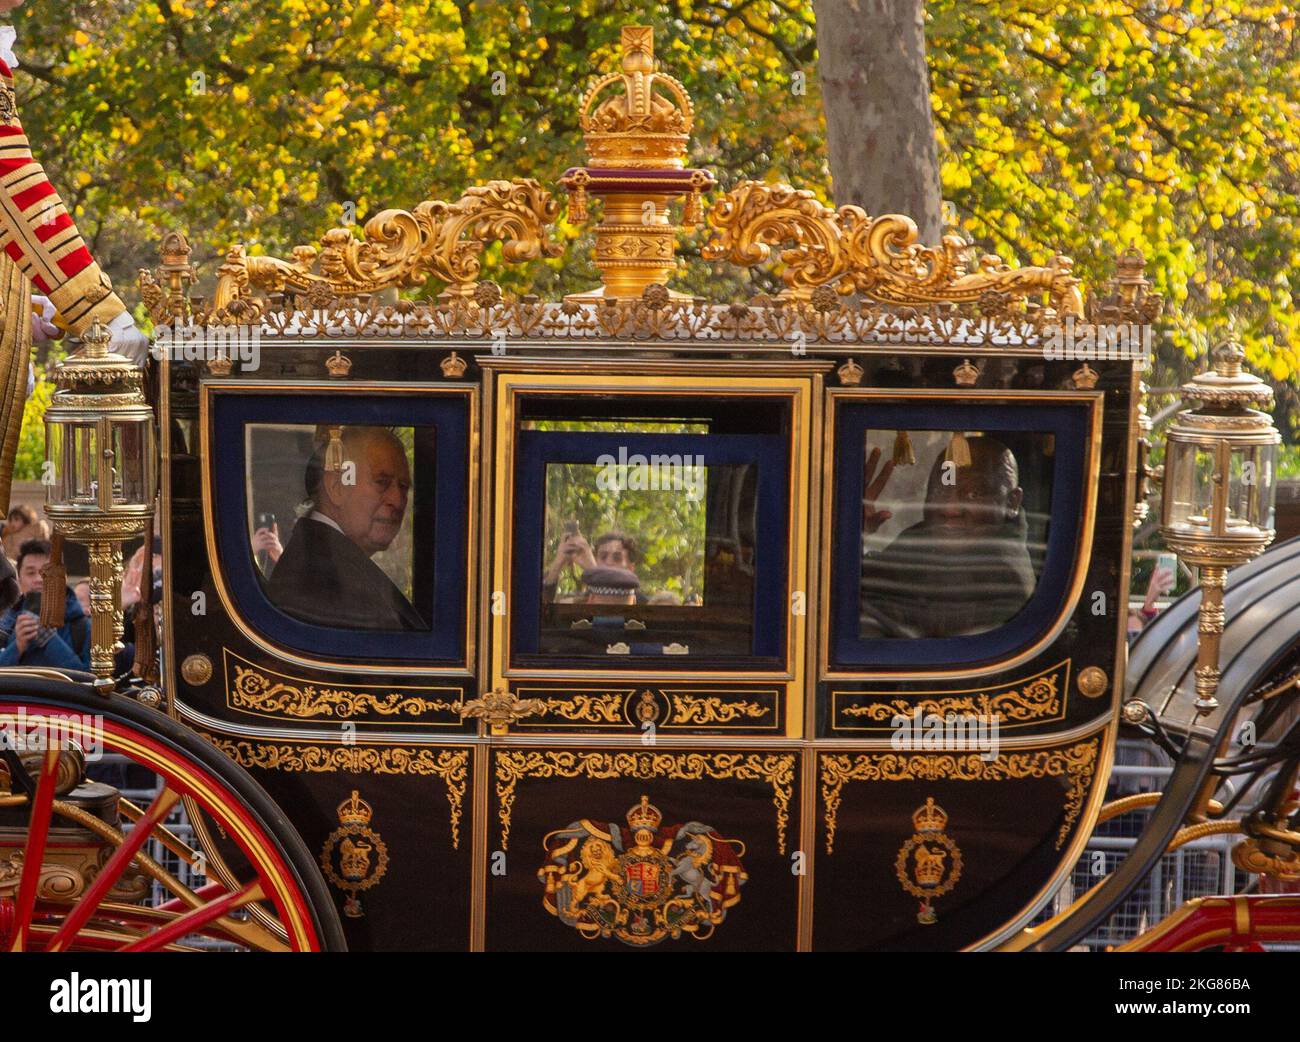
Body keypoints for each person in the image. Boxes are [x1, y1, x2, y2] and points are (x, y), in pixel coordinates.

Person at [859, 436, 1036, 639]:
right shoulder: (925, 545)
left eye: (974, 494)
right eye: (941, 491)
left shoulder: (1001, 581)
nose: (950, 509)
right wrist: (856, 535)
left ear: (1012, 503)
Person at [267, 426, 425, 630]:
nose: (397, 500)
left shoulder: (321, 559)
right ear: (337, 487)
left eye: (403, 486)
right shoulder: (326, 581)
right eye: (382, 482)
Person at [0, 537, 89, 668]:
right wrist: (17, 647)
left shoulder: (83, 627)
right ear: (19, 579)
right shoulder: (5, 628)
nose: (39, 579)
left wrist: (50, 641)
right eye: (30, 573)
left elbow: (90, 682)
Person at [543, 529, 646, 604]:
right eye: (603, 557)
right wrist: (557, 564)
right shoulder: (578, 602)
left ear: (631, 569)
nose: (609, 562)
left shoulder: (644, 604)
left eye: (617, 558)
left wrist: (594, 571)